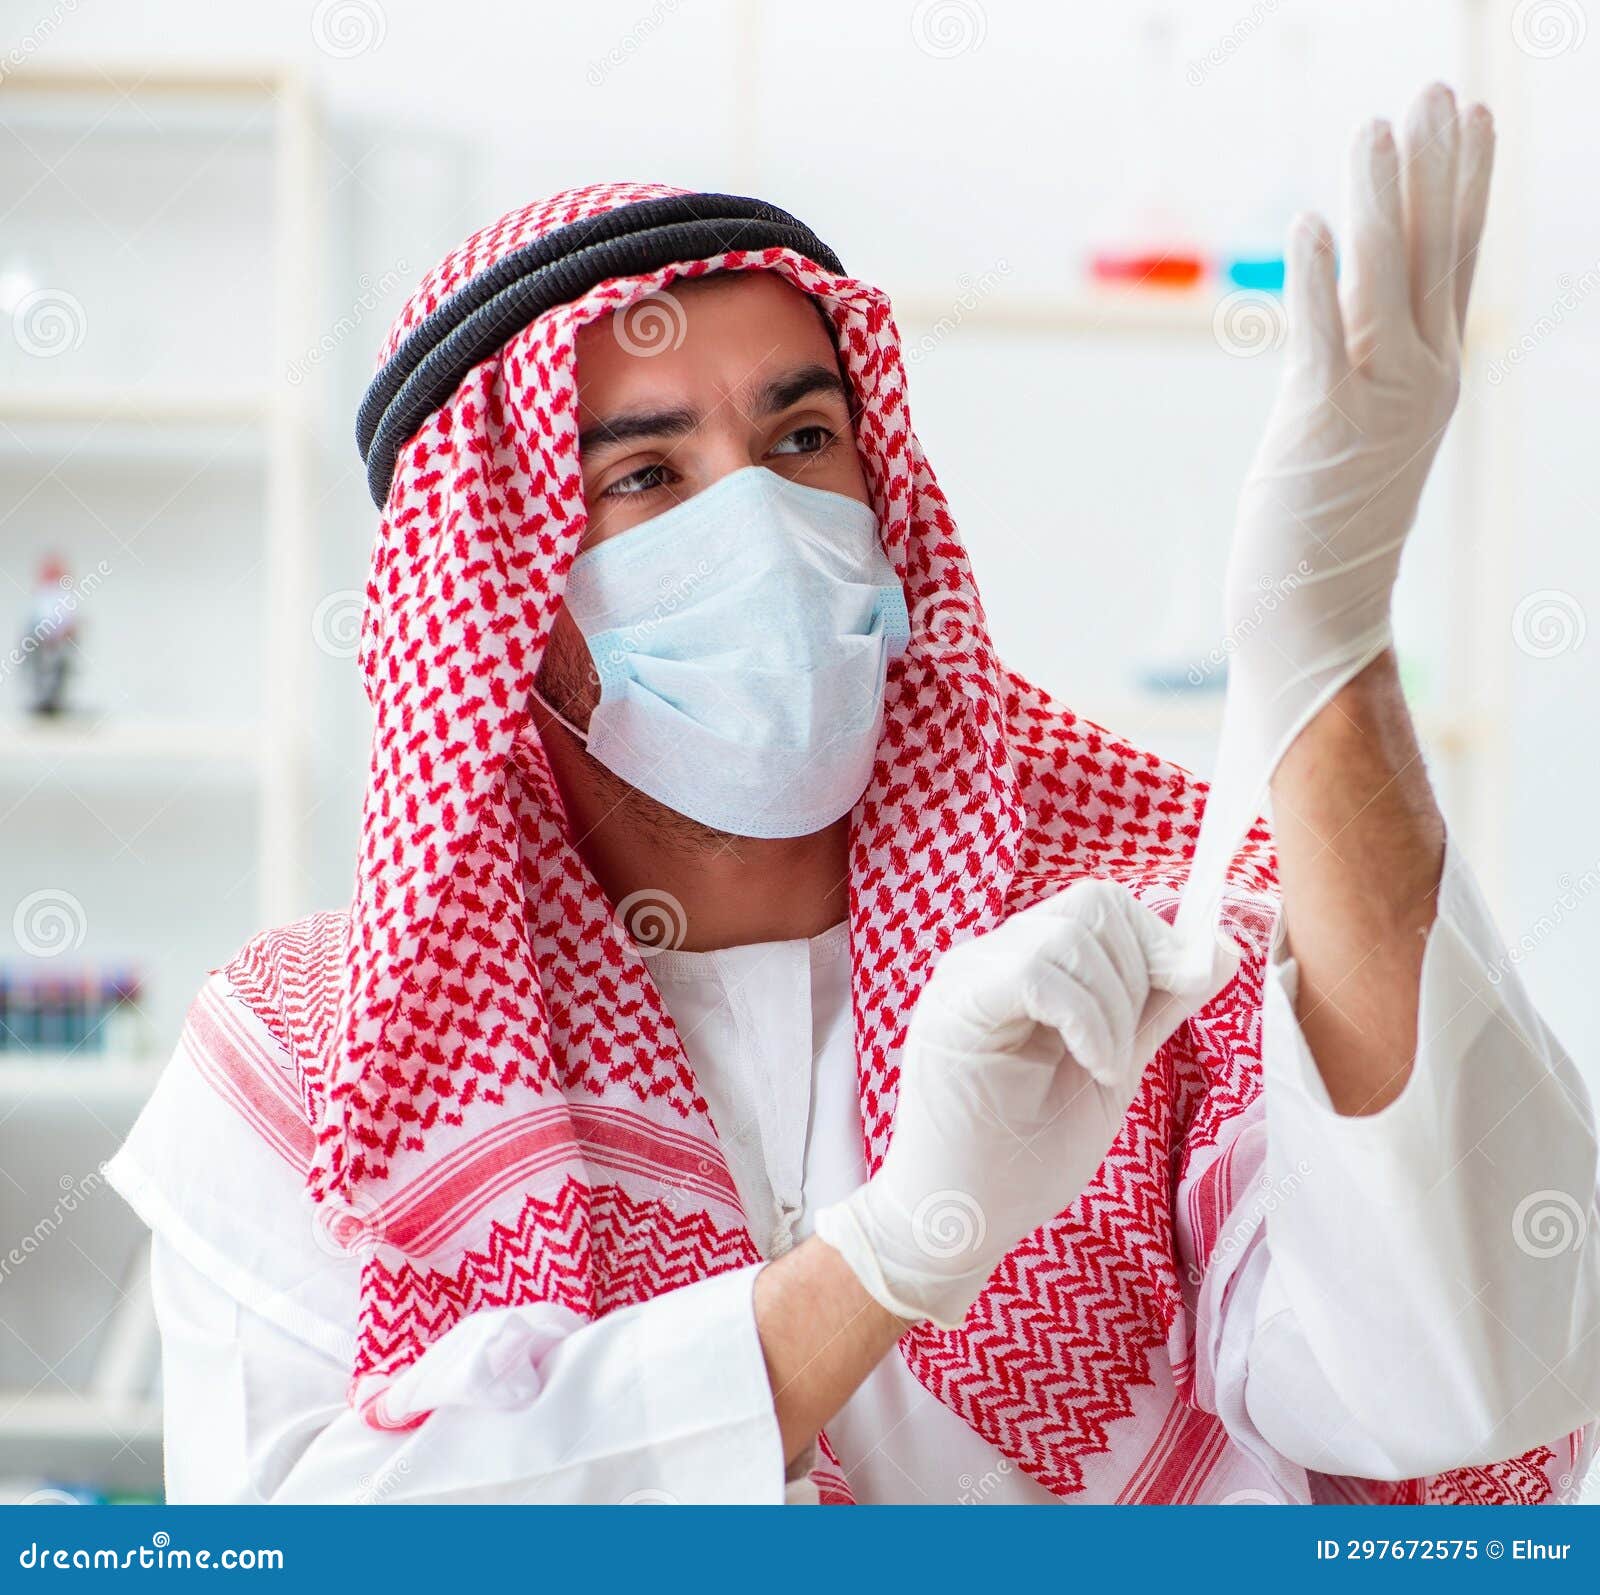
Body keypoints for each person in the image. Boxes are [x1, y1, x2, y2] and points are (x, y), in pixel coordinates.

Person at [108, 85, 1600, 1505]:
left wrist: (1327, 652)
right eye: (645, 477)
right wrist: (887, 1262)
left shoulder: (1149, 939)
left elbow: (1470, 1391)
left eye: (800, 438)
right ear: (494, 601)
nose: (755, 516)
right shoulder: (313, 1062)